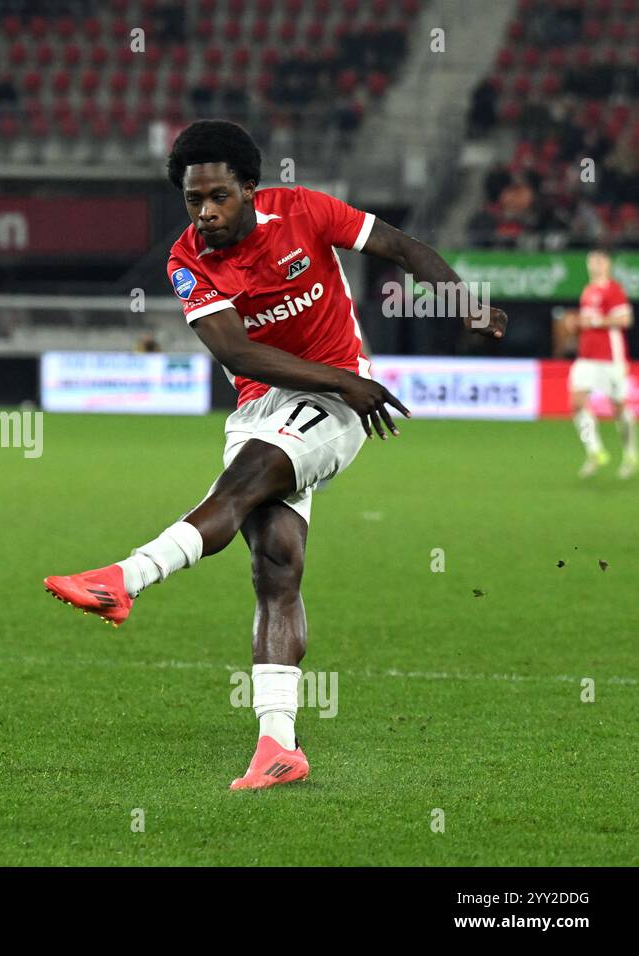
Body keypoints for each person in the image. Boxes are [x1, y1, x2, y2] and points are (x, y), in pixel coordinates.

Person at [44, 120, 508, 791]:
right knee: (275, 568)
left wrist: (463, 303)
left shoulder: (307, 211)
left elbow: (402, 247)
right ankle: (278, 746)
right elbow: (235, 353)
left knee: (238, 489)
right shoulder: (187, 259)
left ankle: (125, 579)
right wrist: (344, 378)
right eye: (193, 200)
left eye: (218, 197)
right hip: (269, 404)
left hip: (334, 409)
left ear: (250, 189)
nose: (205, 211)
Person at [562, 248, 635, 478]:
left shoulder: (614, 289)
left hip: (610, 358)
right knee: (576, 401)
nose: (595, 265)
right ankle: (595, 450)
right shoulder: (588, 290)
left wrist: (595, 321)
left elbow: (625, 319)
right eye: (592, 262)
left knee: (618, 407)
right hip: (586, 358)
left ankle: (630, 453)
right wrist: (576, 324)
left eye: (600, 261)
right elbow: (588, 322)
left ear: (608, 264)